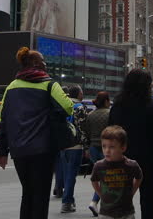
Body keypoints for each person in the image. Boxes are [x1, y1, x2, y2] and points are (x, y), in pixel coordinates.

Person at [0, 47, 73, 219]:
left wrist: (1, 151)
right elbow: (68, 107)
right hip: (43, 149)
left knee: (28, 192)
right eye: (43, 61)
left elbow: (2, 120)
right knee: (41, 195)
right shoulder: (49, 84)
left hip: (19, 151)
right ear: (36, 64)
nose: (45, 64)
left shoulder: (11, 87)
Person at [108, 69, 153, 219]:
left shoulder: (117, 106)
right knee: (149, 201)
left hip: (121, 159)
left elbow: (110, 134)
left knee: (120, 201)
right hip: (148, 161)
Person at [90, 126, 143, 219]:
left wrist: (132, 192)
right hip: (106, 213)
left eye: (112, 147)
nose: (107, 150)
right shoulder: (99, 166)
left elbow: (139, 177)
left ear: (123, 148)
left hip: (126, 212)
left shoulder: (131, 165)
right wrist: (101, 194)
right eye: (104, 146)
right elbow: (94, 180)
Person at [61, 85, 90, 213]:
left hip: (63, 145)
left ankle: (70, 200)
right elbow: (83, 128)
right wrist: (86, 146)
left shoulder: (63, 105)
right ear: (78, 94)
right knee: (72, 175)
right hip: (75, 145)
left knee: (67, 173)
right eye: (82, 92)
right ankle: (66, 202)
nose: (82, 94)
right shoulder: (80, 108)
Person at [85, 91, 112, 217]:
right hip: (105, 148)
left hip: (93, 149)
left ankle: (97, 202)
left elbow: (87, 133)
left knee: (102, 176)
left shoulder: (90, 115)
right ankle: (96, 201)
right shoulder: (110, 114)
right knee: (107, 177)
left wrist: (87, 149)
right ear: (106, 101)